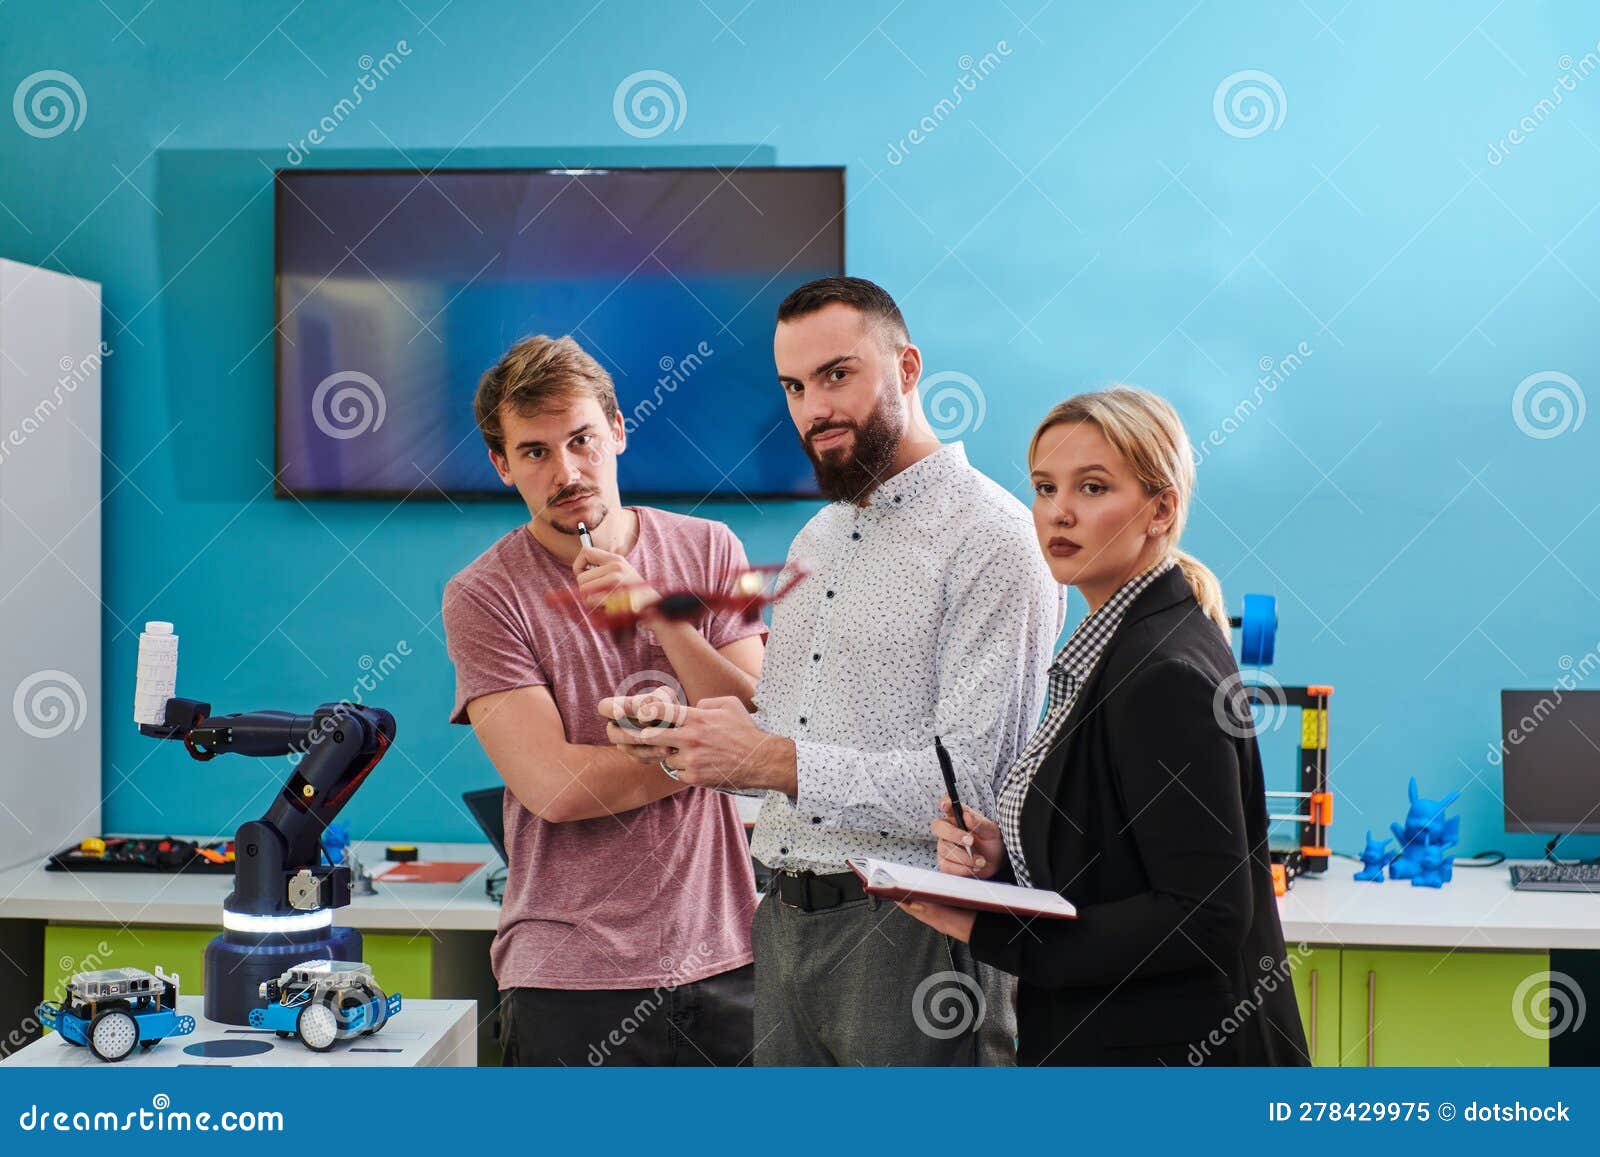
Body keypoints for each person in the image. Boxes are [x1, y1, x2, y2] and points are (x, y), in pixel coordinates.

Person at [600, 277, 1063, 1065]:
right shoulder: (819, 536)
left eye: (837, 375)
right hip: (782, 922)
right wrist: (691, 740)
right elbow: (786, 742)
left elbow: (976, 788)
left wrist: (772, 759)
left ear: (908, 368)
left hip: (914, 931)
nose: (814, 408)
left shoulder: (995, 541)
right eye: (794, 386)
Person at [897, 386, 1310, 1067]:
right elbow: (1119, 853)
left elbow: (1204, 916)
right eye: (1044, 486)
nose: (1059, 511)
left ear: (1161, 508)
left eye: (1092, 487)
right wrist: (1011, 856)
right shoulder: (1124, 644)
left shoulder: (1161, 673)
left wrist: (989, 925)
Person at [442, 334, 766, 1066]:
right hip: (567, 976)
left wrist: (657, 612)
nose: (566, 471)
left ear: (618, 430)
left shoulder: (711, 550)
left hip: (727, 956)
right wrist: (711, 755)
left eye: (582, 439)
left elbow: (760, 725)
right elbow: (554, 787)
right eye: (534, 452)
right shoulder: (483, 595)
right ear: (502, 466)